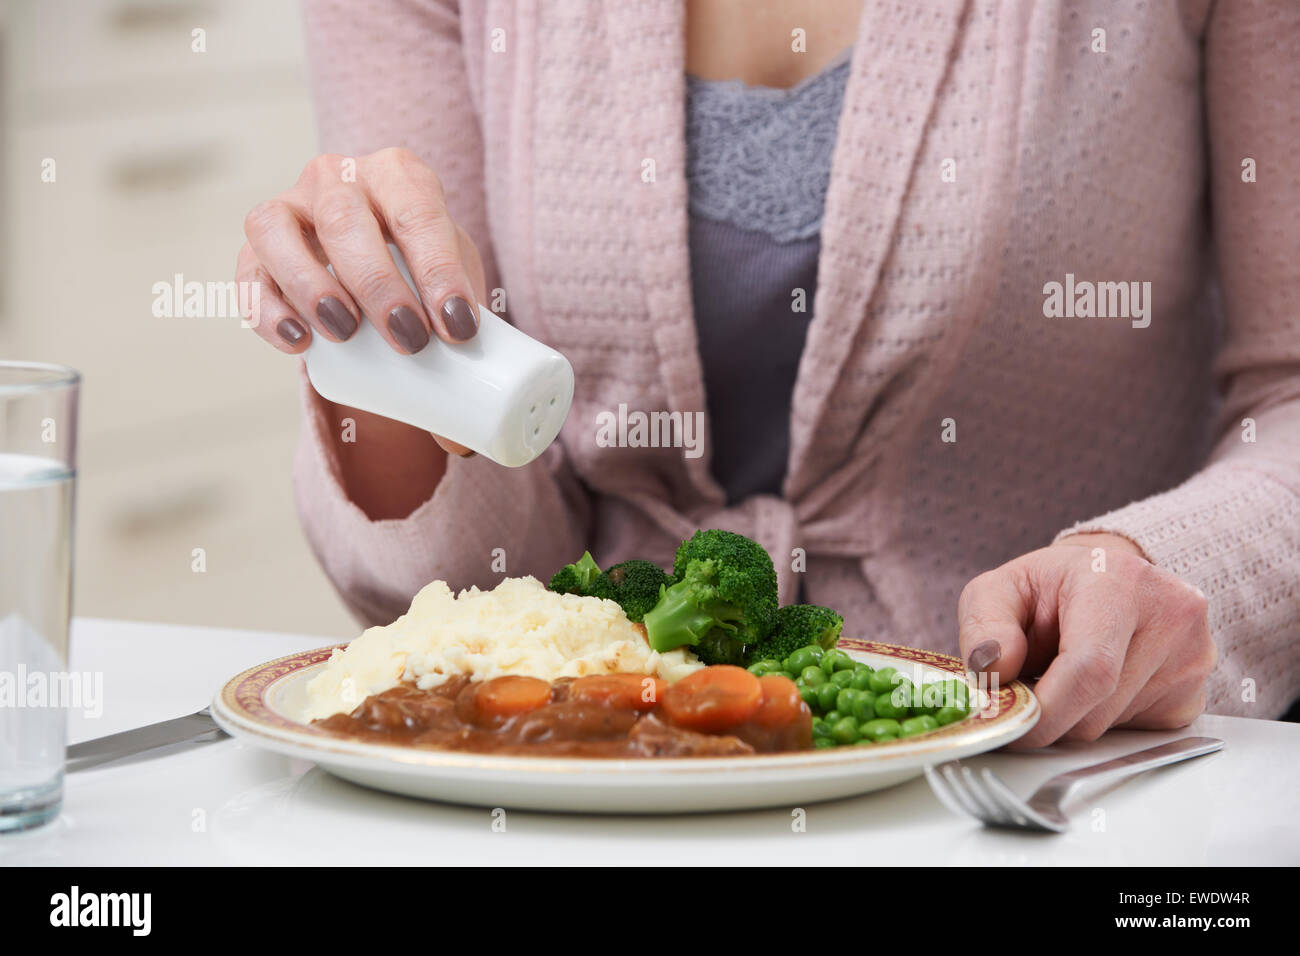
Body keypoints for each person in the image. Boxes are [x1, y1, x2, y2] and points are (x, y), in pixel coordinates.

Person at [235, 0, 1300, 747]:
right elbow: (466, 572)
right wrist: (377, 366)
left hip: (1046, 772)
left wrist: (1158, 568)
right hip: (583, 763)